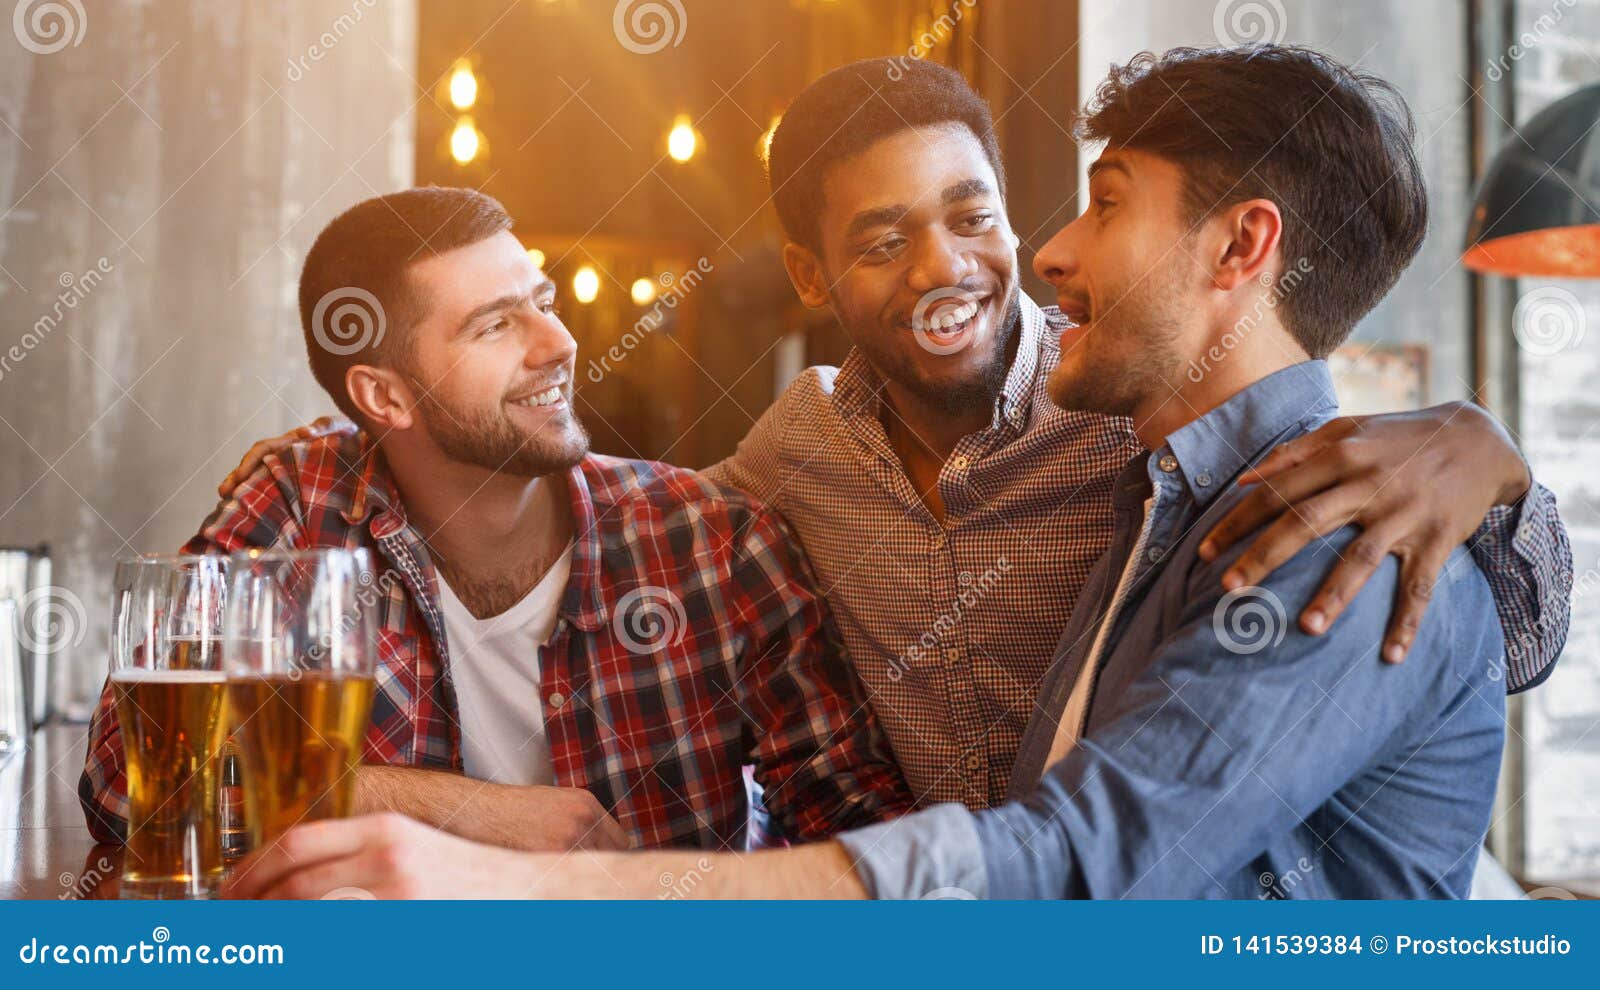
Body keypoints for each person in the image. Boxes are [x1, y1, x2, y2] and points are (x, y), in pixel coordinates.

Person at [228, 44, 1515, 900]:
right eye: (883, 240)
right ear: (810, 279)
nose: (973, 264)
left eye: (980, 218)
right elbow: (635, 521)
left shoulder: (1159, 440)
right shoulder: (796, 462)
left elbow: (1089, 857)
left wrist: (1492, 469)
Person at [80, 187, 913, 855]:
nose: (558, 342)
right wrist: (467, 813)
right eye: (495, 324)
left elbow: (863, 836)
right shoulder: (303, 505)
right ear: (384, 396)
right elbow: (135, 781)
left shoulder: (710, 541)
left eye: (542, 302)